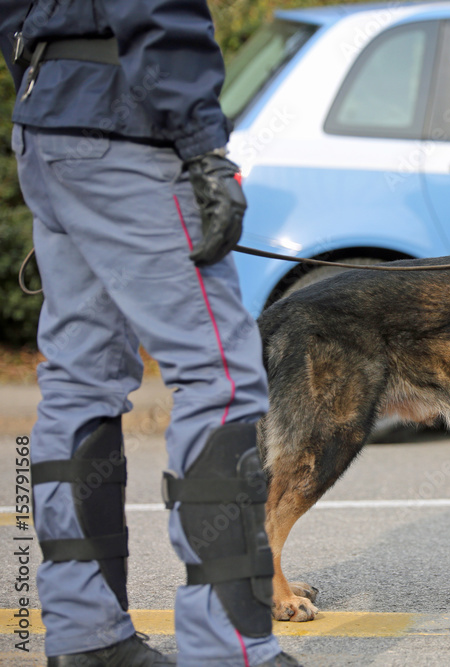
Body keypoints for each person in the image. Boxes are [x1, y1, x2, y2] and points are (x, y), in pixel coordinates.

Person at [1, 1, 300, 665]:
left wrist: (47, 84)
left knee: (79, 379)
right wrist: (203, 148)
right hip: (125, 126)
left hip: (50, 120)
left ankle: (86, 636)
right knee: (220, 374)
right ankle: (228, 648)